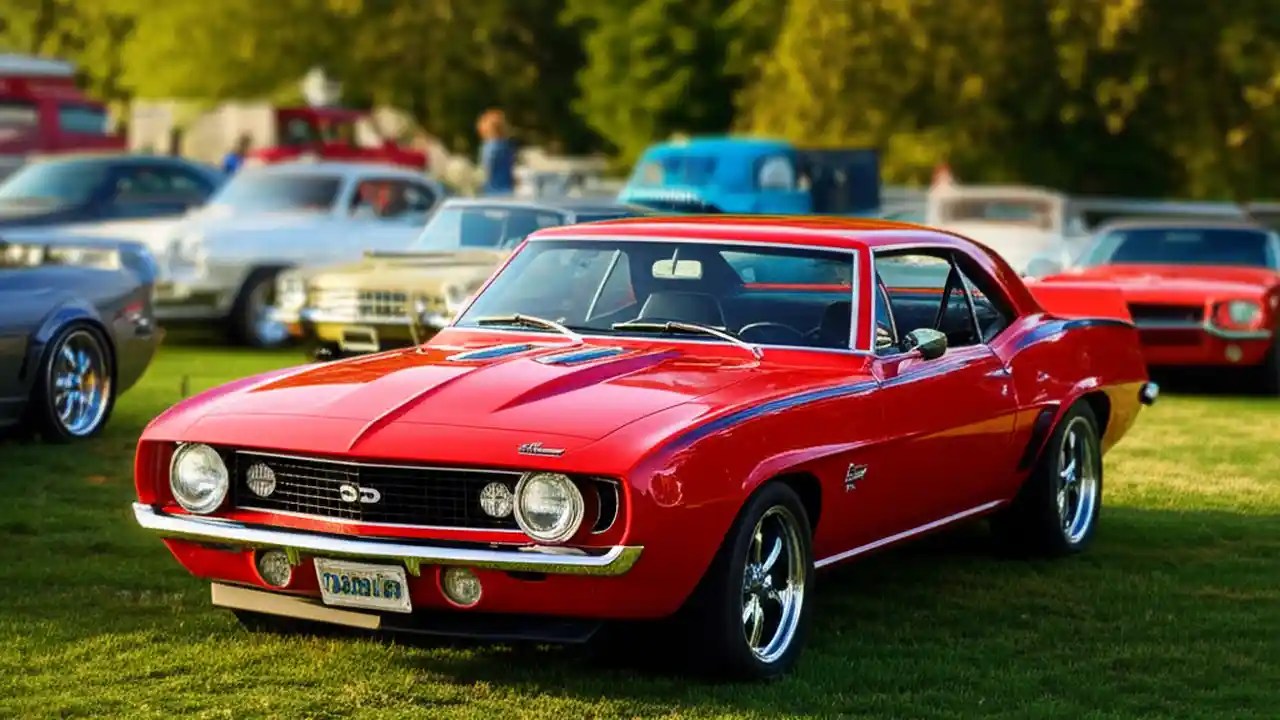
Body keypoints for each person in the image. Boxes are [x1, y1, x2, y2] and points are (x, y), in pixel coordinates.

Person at [476, 109, 515, 196]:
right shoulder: (507, 146)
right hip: (508, 192)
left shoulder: (489, 147)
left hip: (491, 192)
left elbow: (485, 172)